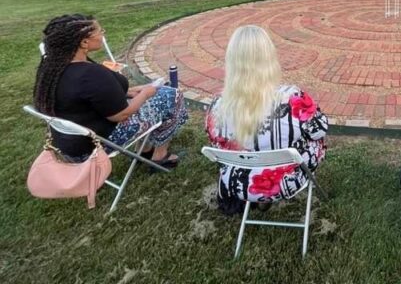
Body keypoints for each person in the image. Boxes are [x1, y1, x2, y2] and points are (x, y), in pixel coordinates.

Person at [33, 14, 188, 166]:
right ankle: (160, 156)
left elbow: (85, 94)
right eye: (100, 31)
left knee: (157, 98)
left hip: (69, 144)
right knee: (172, 96)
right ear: (84, 42)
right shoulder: (90, 74)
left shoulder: (51, 68)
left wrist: (129, 92)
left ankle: (145, 150)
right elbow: (121, 115)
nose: (102, 34)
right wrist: (147, 93)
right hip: (95, 146)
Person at [205, 25, 328, 214]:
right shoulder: (293, 99)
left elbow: (215, 142)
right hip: (285, 182)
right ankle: (266, 192)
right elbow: (320, 129)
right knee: (316, 138)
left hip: (238, 183)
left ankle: (254, 190)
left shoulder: (217, 107)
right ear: (269, 58)